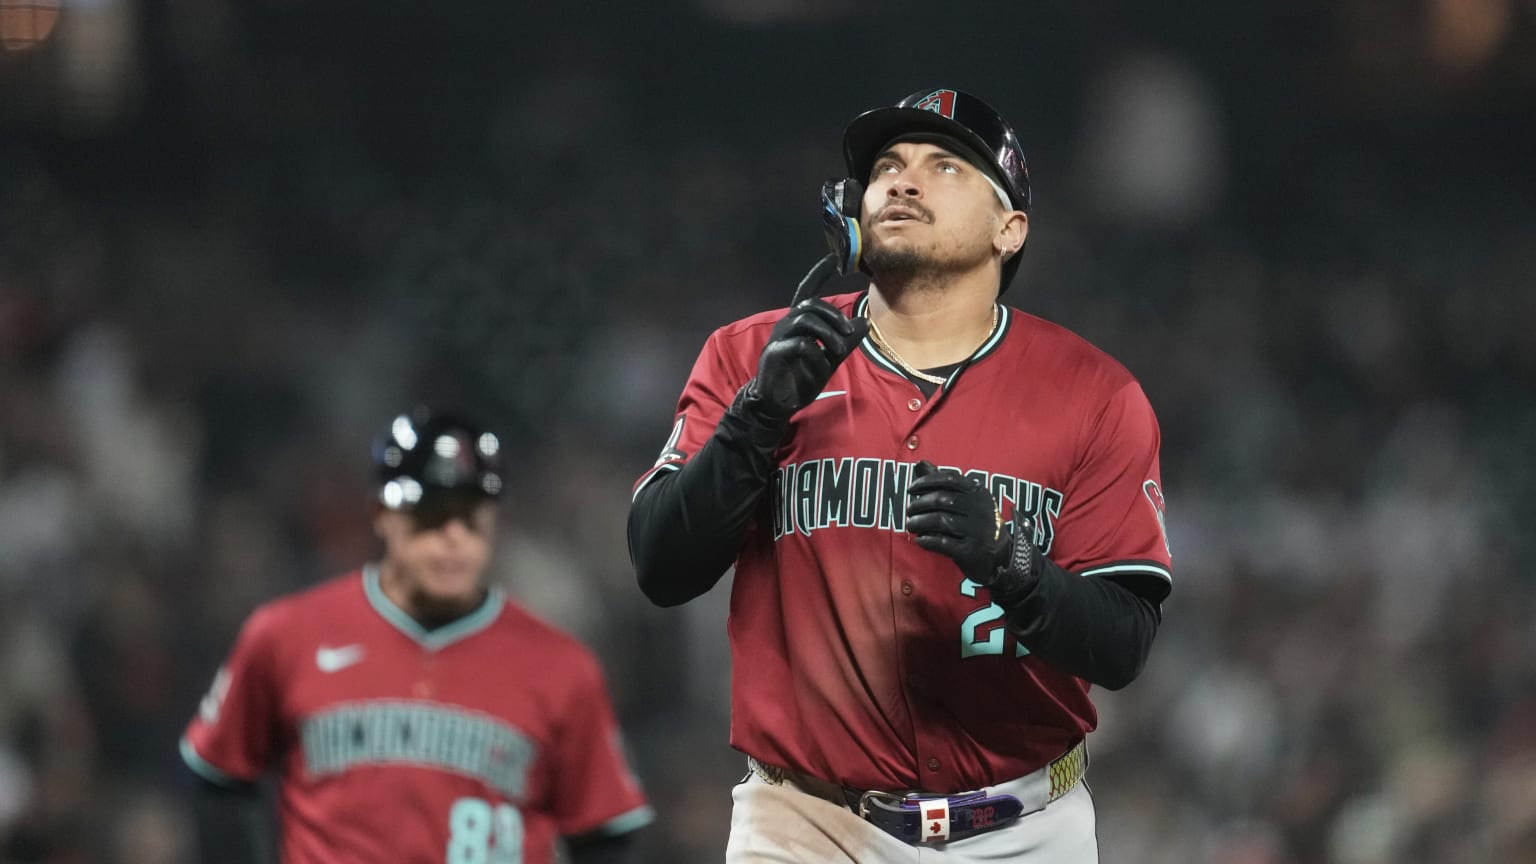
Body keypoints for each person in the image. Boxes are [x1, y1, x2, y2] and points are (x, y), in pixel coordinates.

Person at [627, 87, 1172, 862]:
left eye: (945, 166)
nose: (904, 181)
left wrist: (1016, 564)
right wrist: (755, 418)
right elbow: (659, 564)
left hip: (1023, 832)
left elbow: (1122, 645)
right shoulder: (754, 357)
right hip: (806, 823)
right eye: (887, 166)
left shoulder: (1096, 395)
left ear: (1009, 229)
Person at [182, 406, 653, 864]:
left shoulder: (561, 667)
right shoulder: (286, 635)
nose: (452, 537)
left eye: (470, 517)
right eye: (432, 514)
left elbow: (603, 836)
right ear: (382, 514)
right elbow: (220, 778)